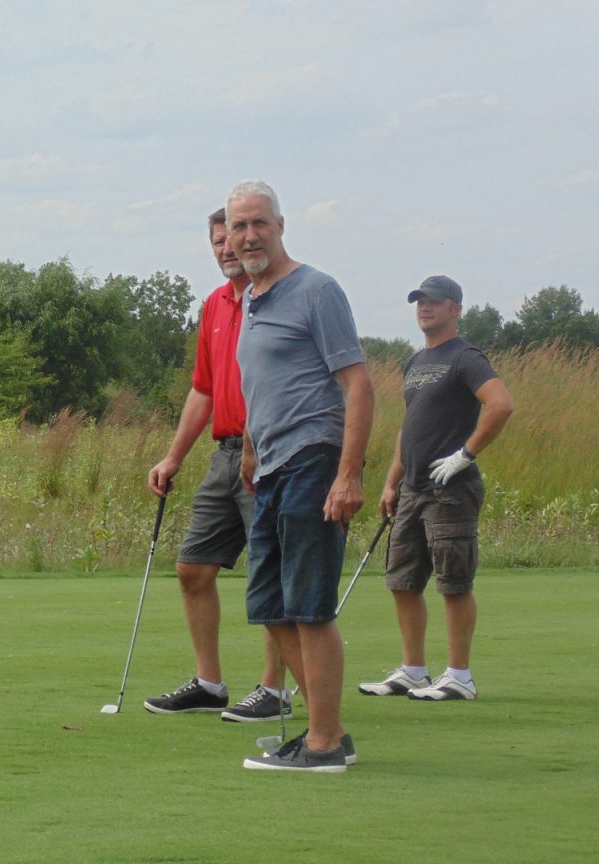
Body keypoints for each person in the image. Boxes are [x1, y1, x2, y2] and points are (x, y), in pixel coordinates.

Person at [226, 181, 373, 773]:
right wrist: (250, 450)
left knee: (310, 606)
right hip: (272, 467)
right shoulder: (252, 299)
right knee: (270, 603)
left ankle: (323, 746)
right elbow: (266, 388)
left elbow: (358, 385)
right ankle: (327, 728)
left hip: (315, 460)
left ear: (281, 225)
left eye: (259, 223)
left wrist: (349, 475)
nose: (249, 235)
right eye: (239, 226)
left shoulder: (316, 290)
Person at [142, 208, 289, 724]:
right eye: (218, 241)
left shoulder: (275, 299)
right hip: (224, 455)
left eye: (234, 238)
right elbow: (203, 389)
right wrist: (173, 456)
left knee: (271, 573)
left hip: (271, 454)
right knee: (192, 569)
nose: (227, 248)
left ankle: (274, 690)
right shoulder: (215, 305)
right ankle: (209, 683)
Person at [360, 276, 513, 701]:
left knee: (453, 580)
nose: (425, 308)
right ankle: (413, 671)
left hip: (450, 487)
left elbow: (501, 404)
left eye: (435, 302)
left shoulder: (466, 358)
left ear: (456, 309)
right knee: (403, 581)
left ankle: (459, 677)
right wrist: (392, 482)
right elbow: (411, 428)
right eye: (420, 302)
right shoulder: (413, 363)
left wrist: (466, 454)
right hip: (412, 487)